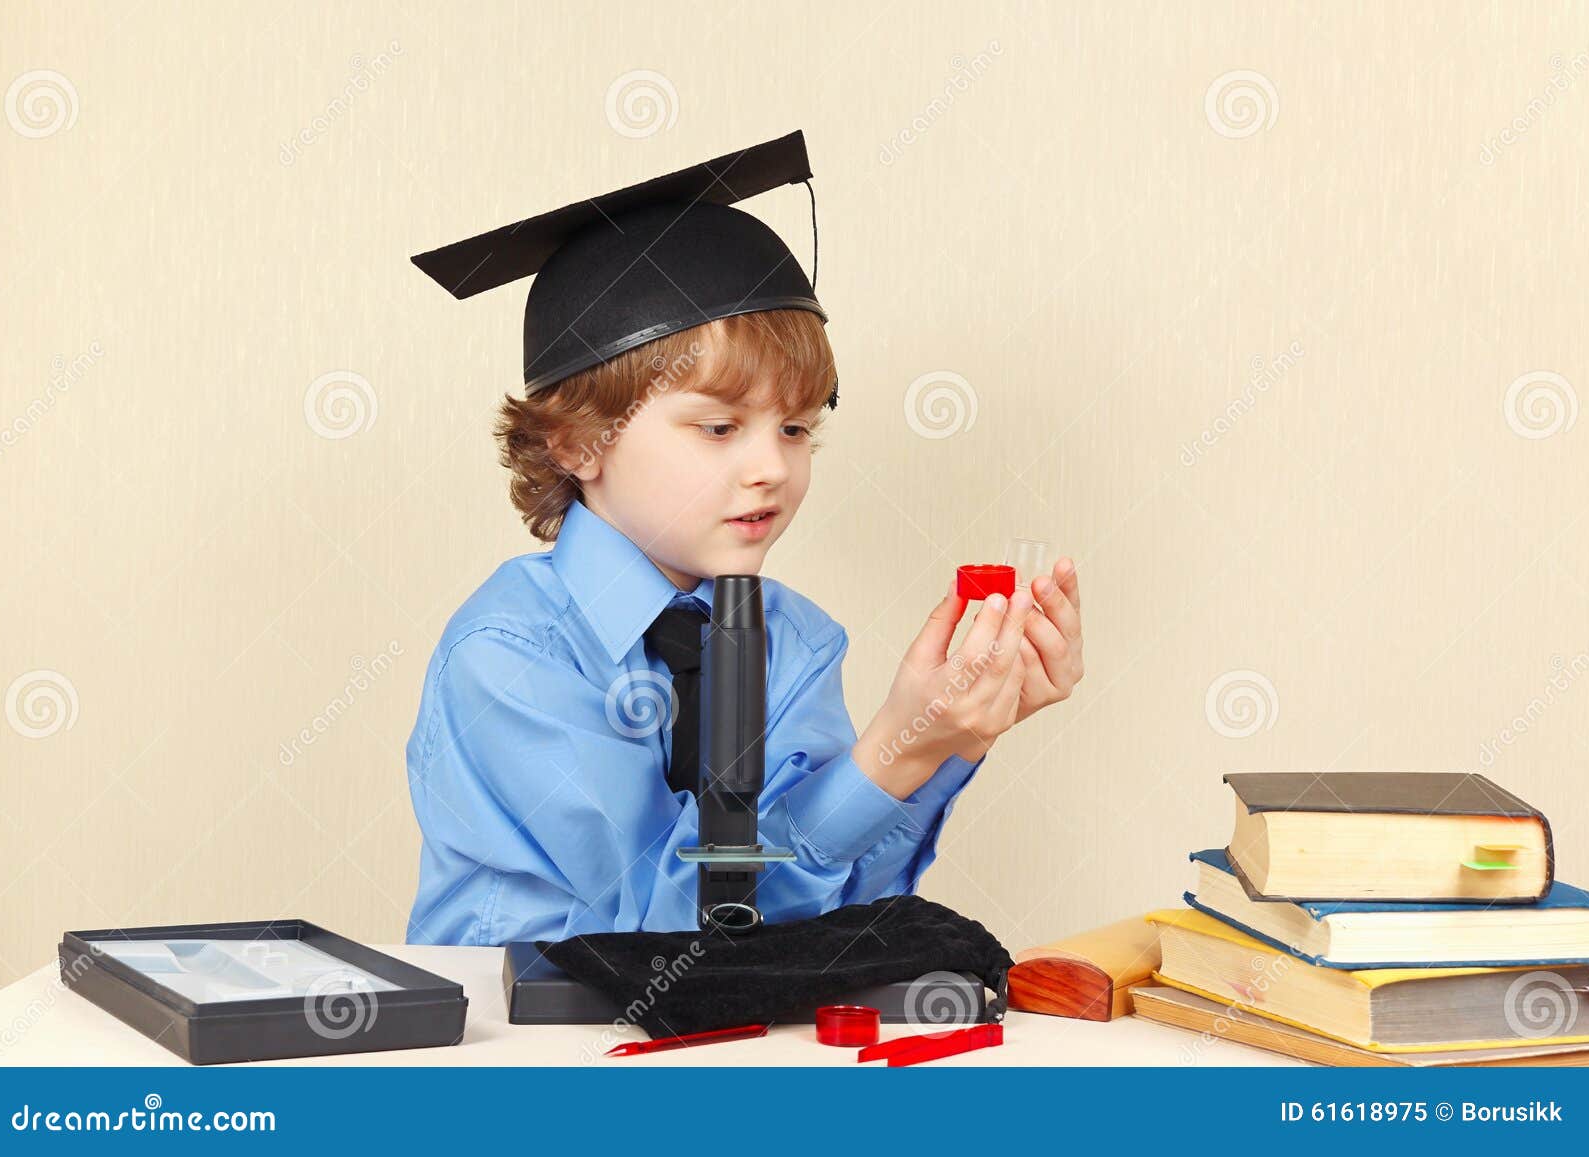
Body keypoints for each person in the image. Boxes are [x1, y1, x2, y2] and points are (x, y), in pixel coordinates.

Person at [403, 133, 1083, 945]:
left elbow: (823, 915)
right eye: (719, 427)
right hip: (514, 1020)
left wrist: (949, 734)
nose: (771, 467)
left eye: (795, 428)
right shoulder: (511, 654)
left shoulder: (792, 639)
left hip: (732, 1025)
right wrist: (891, 754)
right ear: (579, 442)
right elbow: (651, 930)